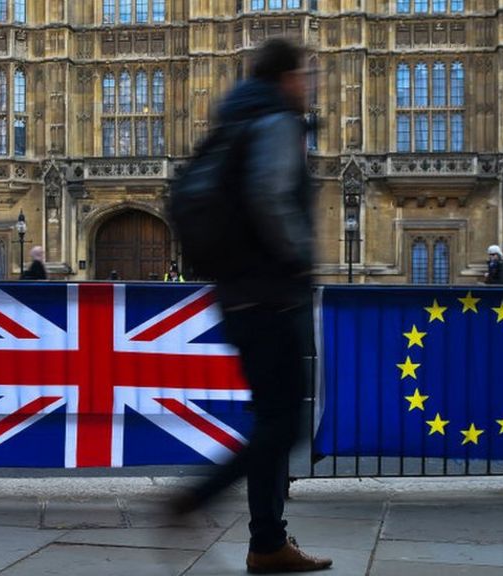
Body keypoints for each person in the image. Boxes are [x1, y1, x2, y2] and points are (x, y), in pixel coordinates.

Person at [170, 38, 331, 573]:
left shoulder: (234, 119)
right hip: (271, 293)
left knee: (272, 420)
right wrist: (299, 258)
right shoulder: (276, 120)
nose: (310, 84)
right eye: (305, 74)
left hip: (238, 293)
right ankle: (196, 498)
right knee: (283, 424)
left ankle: (267, 543)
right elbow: (269, 196)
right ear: (287, 77)